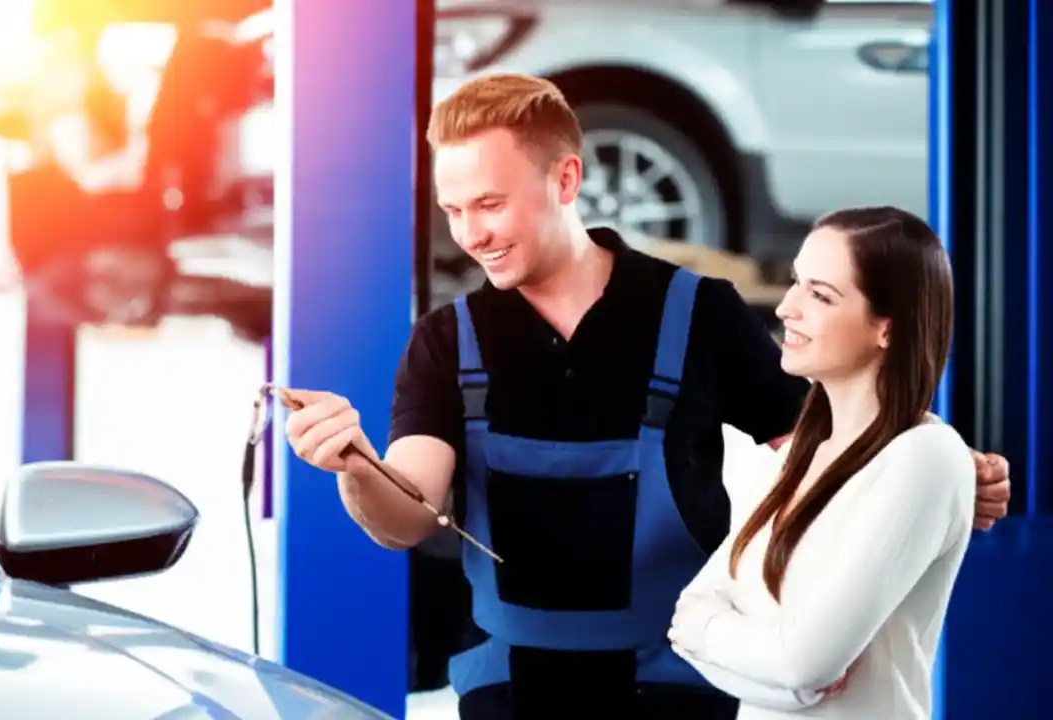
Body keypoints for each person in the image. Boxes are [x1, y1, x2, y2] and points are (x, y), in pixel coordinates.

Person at [282, 73, 1011, 719]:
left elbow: (822, 443)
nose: (471, 234)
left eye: (490, 204)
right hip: (507, 689)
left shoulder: (698, 313)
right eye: (454, 210)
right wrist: (354, 468)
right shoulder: (447, 339)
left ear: (566, 180)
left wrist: (931, 466)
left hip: (683, 682)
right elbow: (409, 512)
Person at [667, 208, 975, 718]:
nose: (788, 307)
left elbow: (805, 661)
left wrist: (730, 642)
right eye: (796, 282)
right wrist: (786, 682)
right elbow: (686, 619)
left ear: (887, 328)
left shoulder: (925, 458)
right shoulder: (795, 454)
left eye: (821, 294)